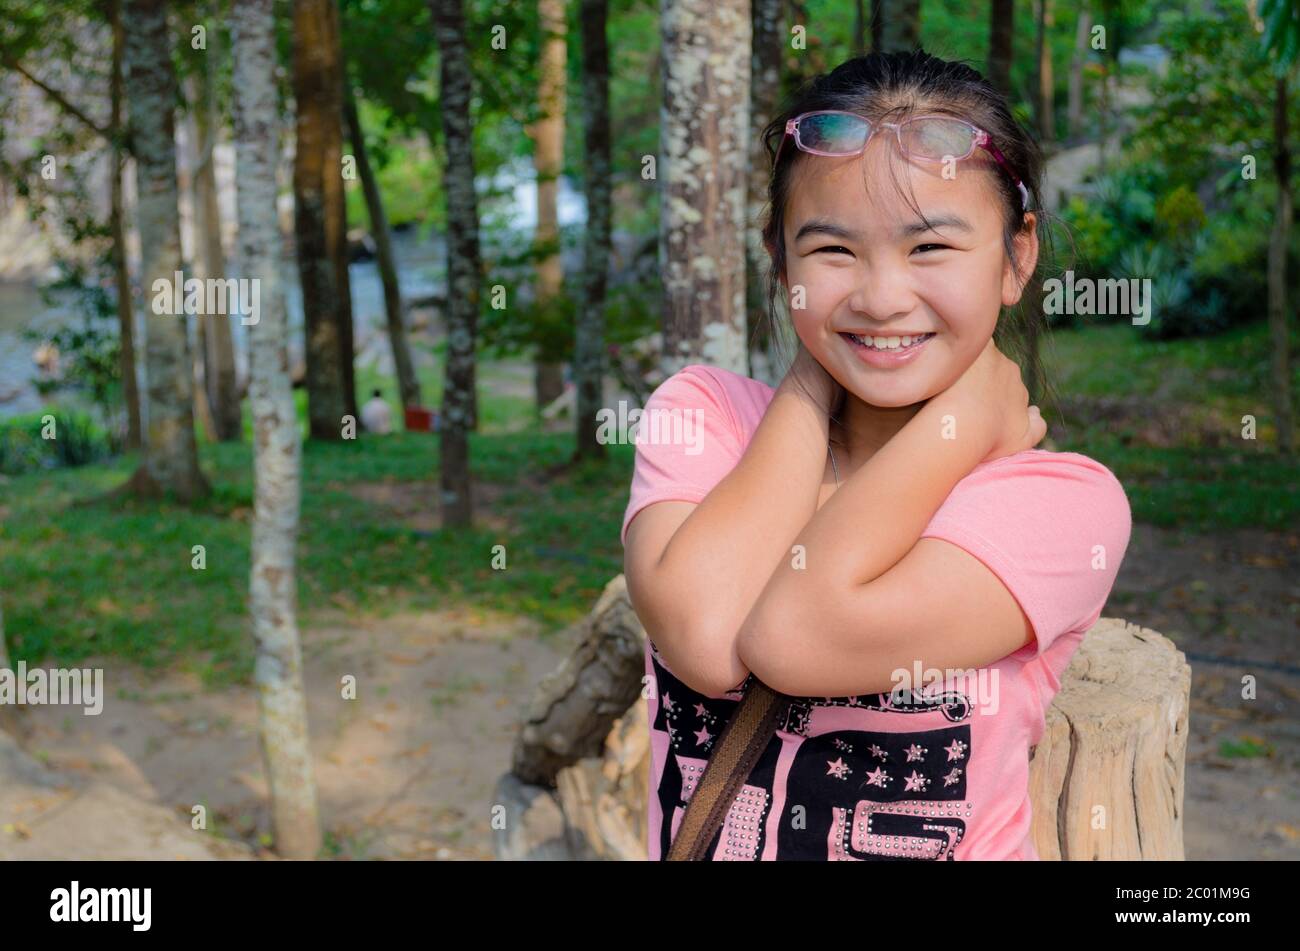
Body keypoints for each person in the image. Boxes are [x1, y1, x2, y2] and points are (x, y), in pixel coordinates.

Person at [621, 49, 1132, 861]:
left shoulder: (1060, 503)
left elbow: (793, 634)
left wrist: (959, 423)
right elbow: (708, 638)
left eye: (929, 249)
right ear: (779, 257)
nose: (881, 296)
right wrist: (832, 384)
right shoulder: (707, 420)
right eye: (830, 251)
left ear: (1017, 258)